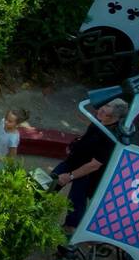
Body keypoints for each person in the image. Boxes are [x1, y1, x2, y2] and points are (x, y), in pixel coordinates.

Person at [53, 99, 127, 231]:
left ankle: (68, 233)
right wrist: (75, 146)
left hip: (88, 175)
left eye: (107, 106)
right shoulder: (98, 123)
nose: (102, 108)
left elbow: (94, 165)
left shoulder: (112, 137)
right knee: (49, 183)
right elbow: (86, 139)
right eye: (104, 104)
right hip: (73, 162)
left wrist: (70, 176)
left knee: (75, 203)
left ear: (115, 115)